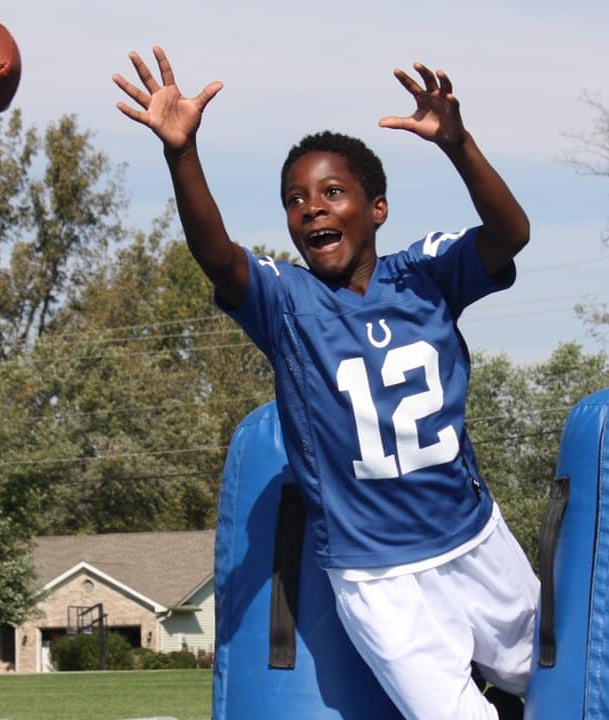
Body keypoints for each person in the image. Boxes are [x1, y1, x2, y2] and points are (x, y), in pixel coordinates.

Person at [114, 47, 538, 720]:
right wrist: (181, 152)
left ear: (377, 208)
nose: (312, 209)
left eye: (331, 193)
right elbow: (217, 255)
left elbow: (510, 233)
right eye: (295, 200)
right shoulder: (288, 304)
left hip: (473, 538)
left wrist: (459, 145)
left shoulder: (425, 274)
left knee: (548, 681)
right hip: (375, 574)